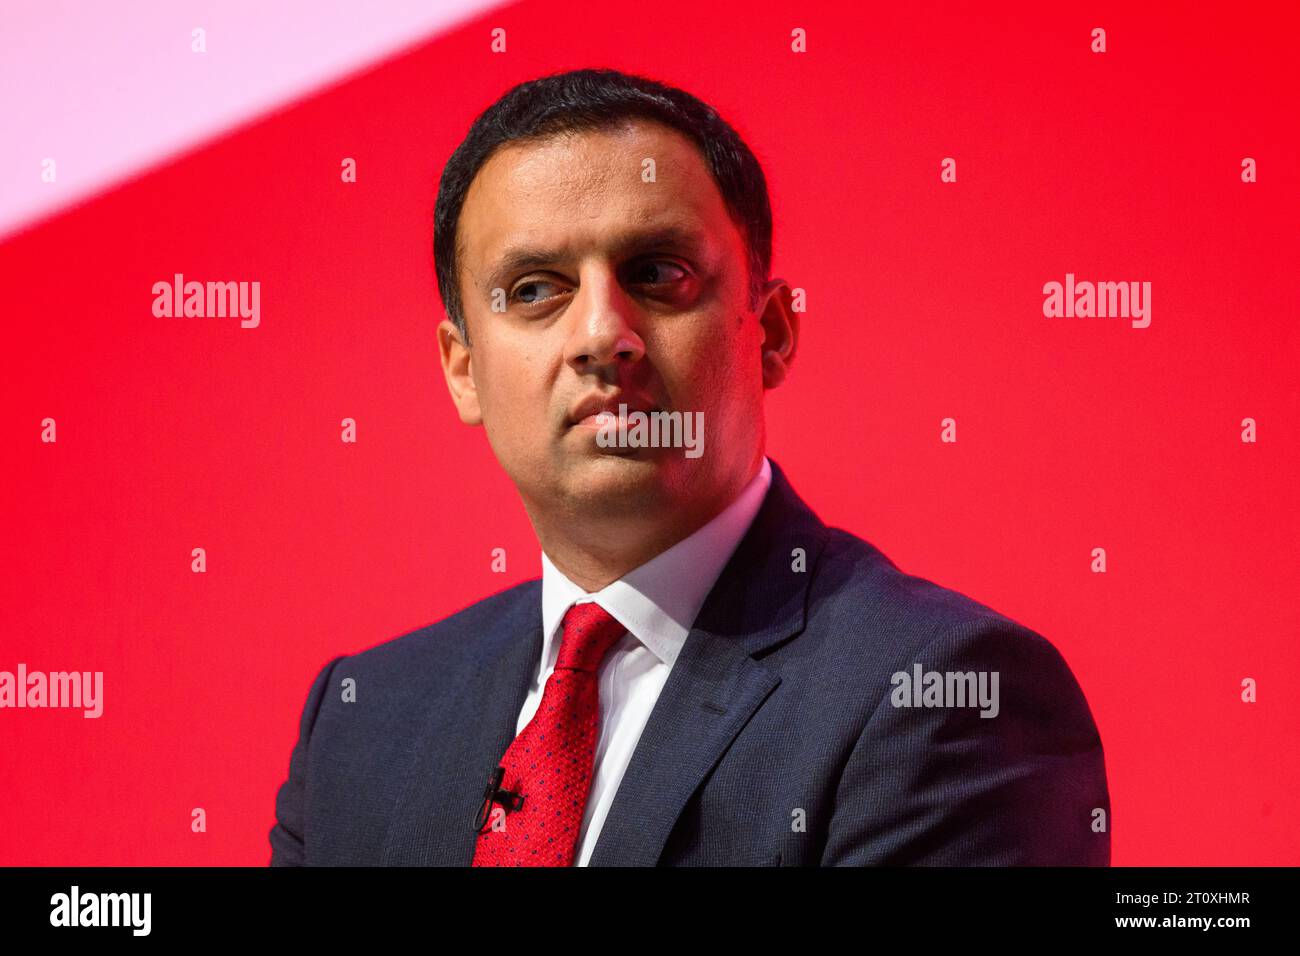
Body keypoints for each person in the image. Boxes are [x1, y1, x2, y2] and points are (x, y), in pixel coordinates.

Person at [269, 67, 1110, 866]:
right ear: (463, 370)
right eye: (534, 290)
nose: (603, 333)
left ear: (771, 331)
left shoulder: (944, 695)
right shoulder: (362, 719)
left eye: (657, 273)